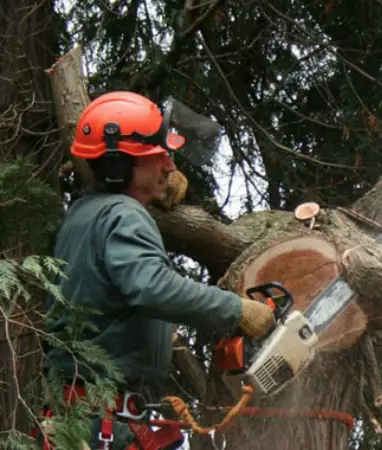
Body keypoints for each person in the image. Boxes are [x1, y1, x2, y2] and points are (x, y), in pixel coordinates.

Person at [39, 91, 275, 449]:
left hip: (88, 417)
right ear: (120, 168)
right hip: (102, 423)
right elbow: (152, 287)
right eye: (156, 158)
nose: (169, 165)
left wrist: (151, 189)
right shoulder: (124, 215)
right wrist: (236, 309)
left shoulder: (85, 214)